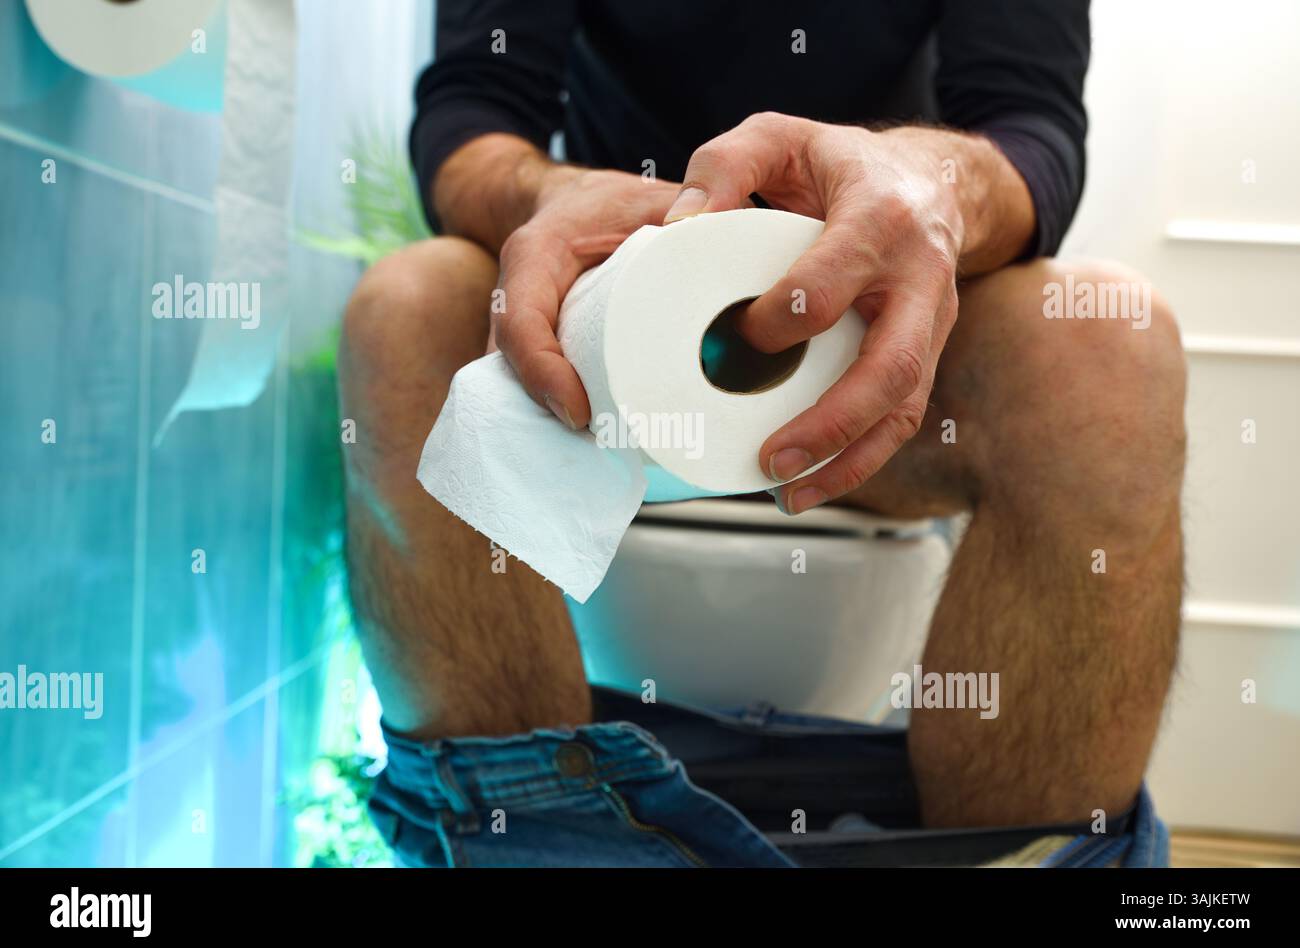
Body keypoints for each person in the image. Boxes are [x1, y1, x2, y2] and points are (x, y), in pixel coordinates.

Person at [339, 0, 1185, 866]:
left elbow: (1031, 123)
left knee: (1108, 347)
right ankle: (539, 849)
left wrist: (926, 181)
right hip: (603, 346)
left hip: (866, 336)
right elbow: (475, 103)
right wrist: (554, 192)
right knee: (410, 308)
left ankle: (1019, 851)